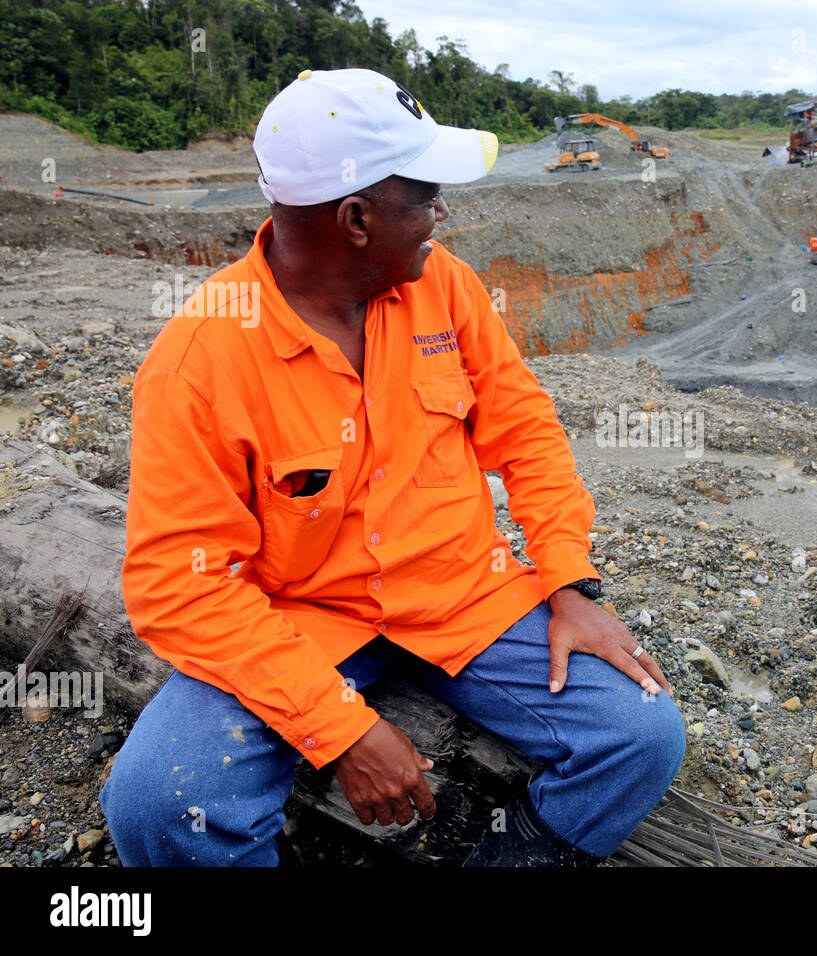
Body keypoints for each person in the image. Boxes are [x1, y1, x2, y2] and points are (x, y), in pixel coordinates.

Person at [98, 67, 685, 867]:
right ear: (356, 218)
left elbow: (526, 432)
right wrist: (340, 729)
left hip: (460, 592)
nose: (441, 217)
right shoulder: (200, 361)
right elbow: (180, 583)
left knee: (641, 736)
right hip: (302, 620)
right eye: (426, 198)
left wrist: (567, 582)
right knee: (158, 805)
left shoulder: (446, 287)